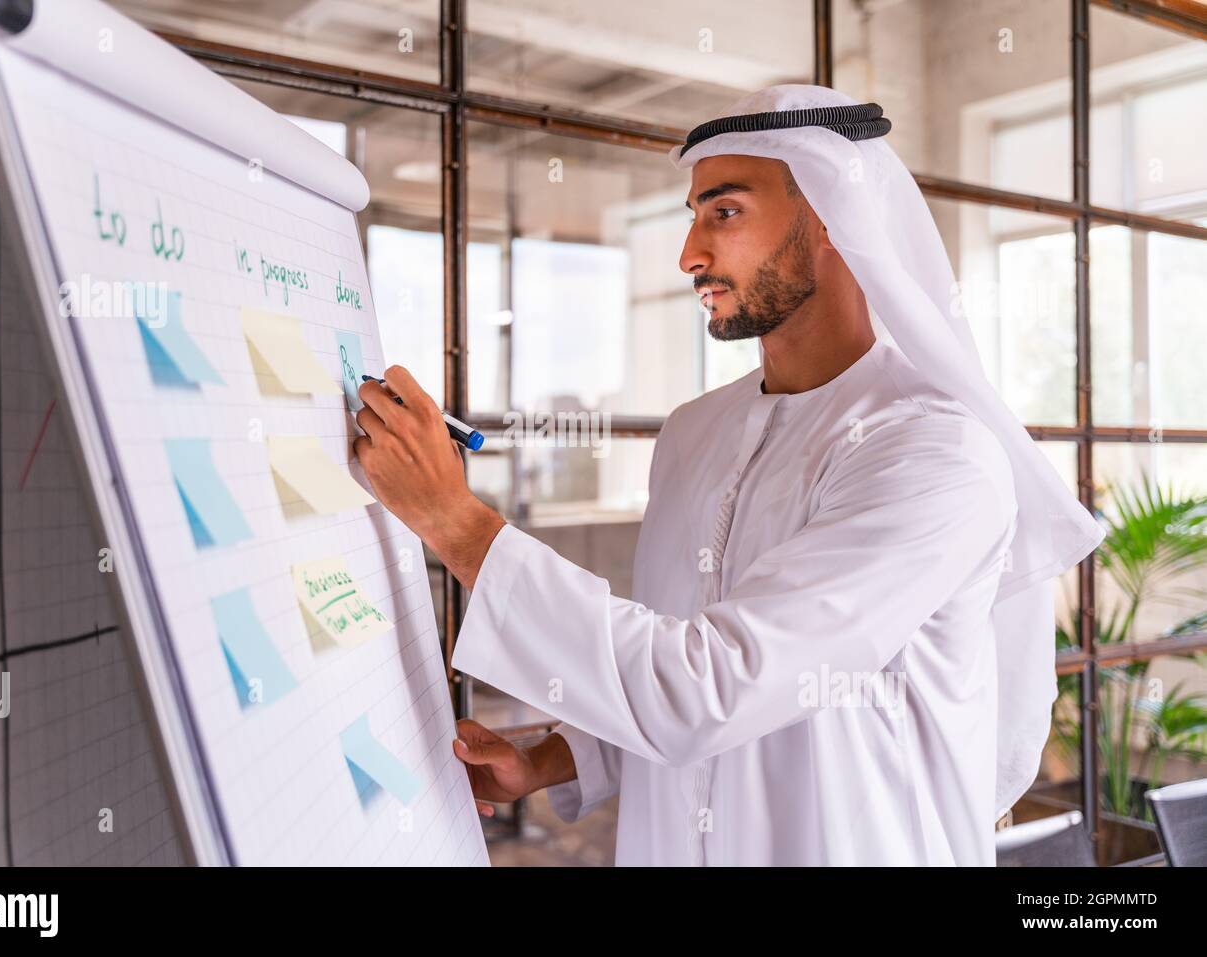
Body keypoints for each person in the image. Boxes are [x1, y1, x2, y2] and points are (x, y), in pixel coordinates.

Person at [352, 84, 1104, 865]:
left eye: (725, 212)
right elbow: (673, 665)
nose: (690, 255)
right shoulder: (692, 434)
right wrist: (548, 758)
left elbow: (710, 687)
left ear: (828, 220)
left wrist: (452, 517)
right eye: (693, 215)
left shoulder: (935, 454)